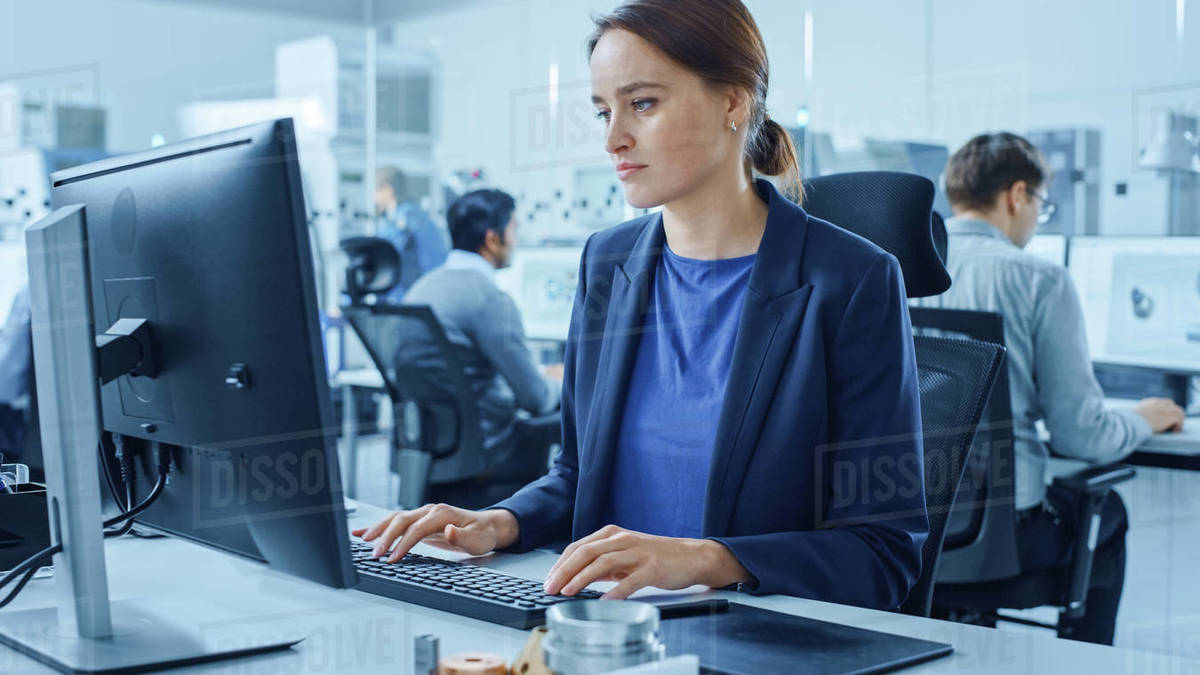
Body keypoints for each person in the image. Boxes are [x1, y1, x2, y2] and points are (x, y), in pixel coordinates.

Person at [356, 0, 928, 609]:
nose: (613, 138)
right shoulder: (608, 264)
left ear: (733, 102)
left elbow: (883, 551)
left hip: (750, 640)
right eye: (604, 111)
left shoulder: (852, 280)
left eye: (643, 104)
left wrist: (707, 558)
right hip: (604, 630)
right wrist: (499, 521)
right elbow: (577, 476)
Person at [913, 132, 1185, 644]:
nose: (1039, 217)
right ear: (1017, 195)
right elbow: (1079, 434)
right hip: (1007, 539)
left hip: (910, 529)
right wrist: (1142, 418)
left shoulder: (901, 268)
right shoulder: (1040, 280)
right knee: (1108, 516)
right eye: (1041, 203)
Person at [399, 189, 562, 504]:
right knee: (571, 417)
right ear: (492, 239)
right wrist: (559, 380)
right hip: (488, 453)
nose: (516, 240)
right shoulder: (489, 298)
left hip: (432, 452)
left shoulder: (421, 289)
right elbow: (536, 399)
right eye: (514, 229)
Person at [375, 166, 448, 303]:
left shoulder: (402, 223)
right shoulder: (418, 217)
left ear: (388, 189)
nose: (375, 199)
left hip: (407, 299)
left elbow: (380, 260)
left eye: (376, 192)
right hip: (426, 294)